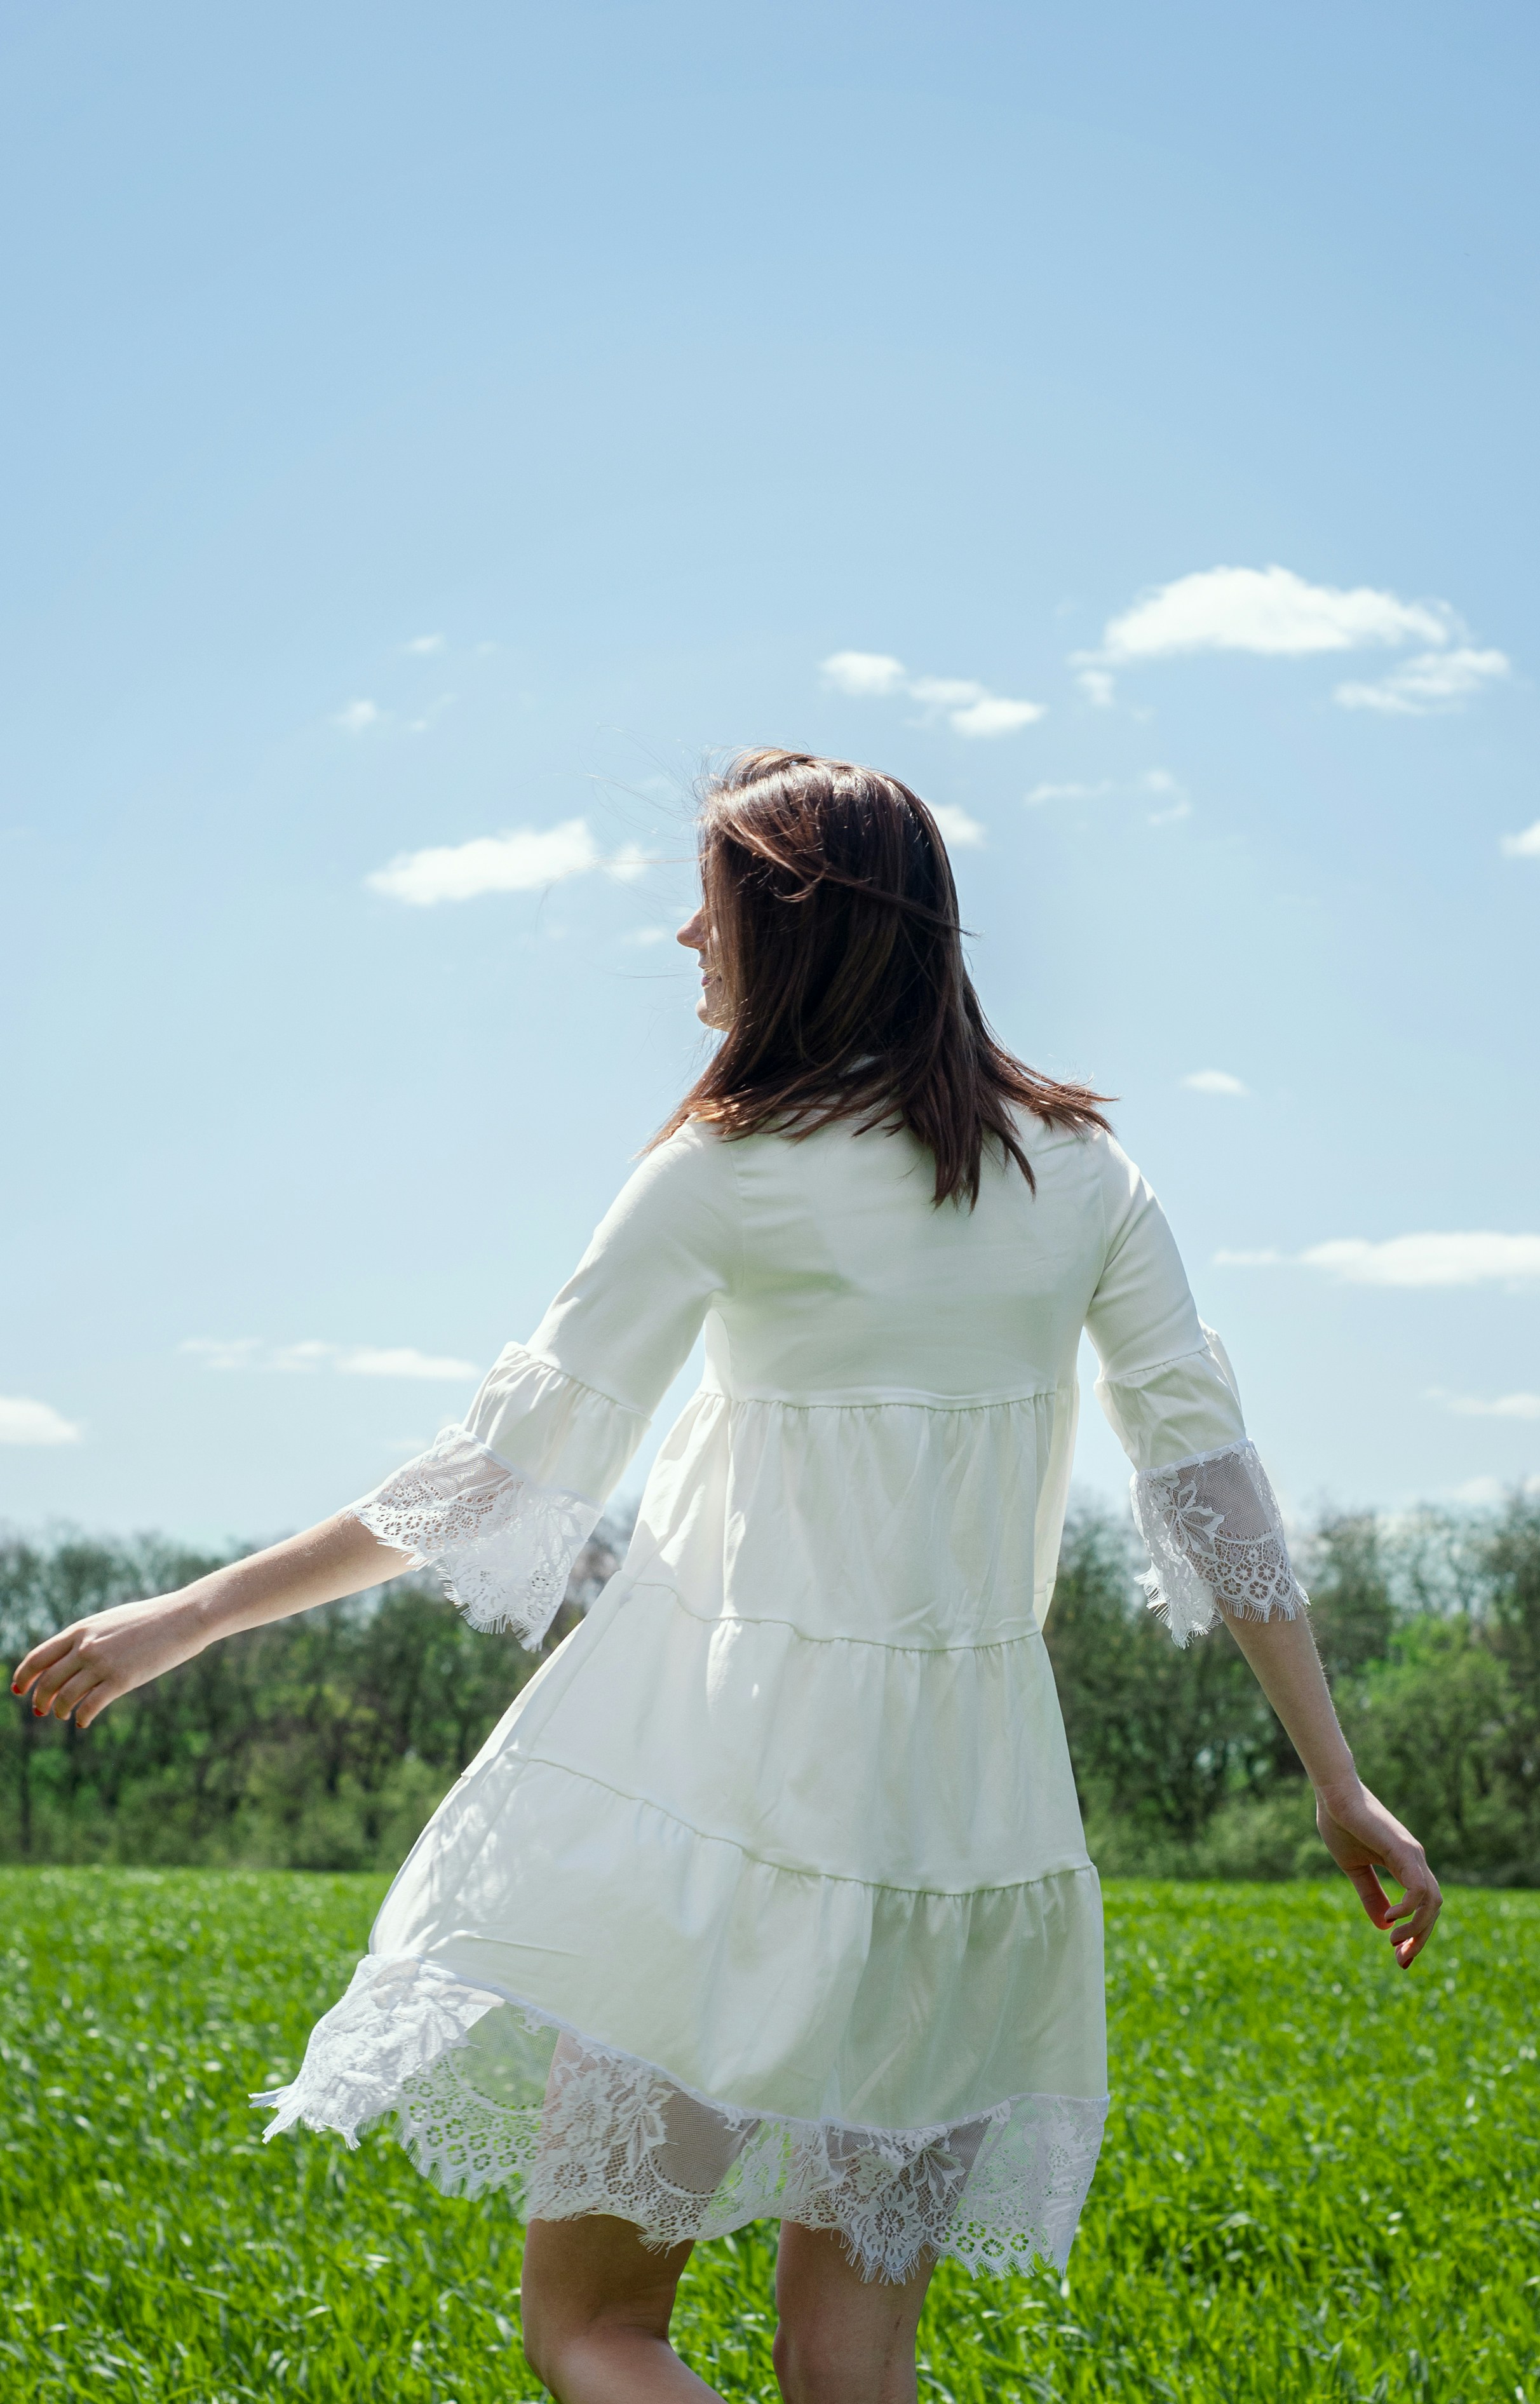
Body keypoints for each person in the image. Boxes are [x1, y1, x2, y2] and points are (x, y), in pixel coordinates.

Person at [14, 750, 1441, 2404]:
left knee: (594, 2333)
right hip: (965, 1843)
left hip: (729, 1811)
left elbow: (497, 1478)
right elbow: (1209, 1483)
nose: (687, 937)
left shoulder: (724, 1166)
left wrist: (186, 1616)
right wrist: (1336, 1777)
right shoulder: (1086, 1175)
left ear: (797, 930)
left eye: (713, 906)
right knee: (851, 2373)